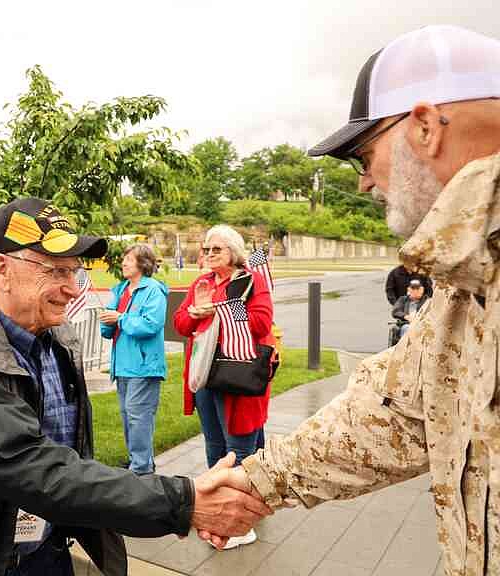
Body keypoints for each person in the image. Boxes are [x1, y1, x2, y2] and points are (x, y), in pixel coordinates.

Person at [202, 26, 500, 572]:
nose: (364, 183)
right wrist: (260, 481)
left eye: (363, 157)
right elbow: (396, 412)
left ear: (427, 128)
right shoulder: (465, 283)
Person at [0, 197, 273, 576]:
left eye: (73, 271)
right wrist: (184, 502)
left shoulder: (58, 337)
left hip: (48, 551)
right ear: (2, 269)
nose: (73, 289)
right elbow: (33, 467)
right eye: (55, 271)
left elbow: (72, 458)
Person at [173, 224, 274, 550]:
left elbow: (261, 323)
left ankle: (242, 524)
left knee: (239, 451)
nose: (208, 254)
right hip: (205, 377)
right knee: (215, 446)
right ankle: (219, 511)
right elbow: (180, 325)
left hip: (238, 377)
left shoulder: (249, 280)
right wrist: (193, 310)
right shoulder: (201, 283)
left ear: (234, 251)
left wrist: (224, 307)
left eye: (216, 249)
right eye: (206, 249)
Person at [99, 243, 167, 475]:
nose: (124, 262)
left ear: (143, 263)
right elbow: (109, 325)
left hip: (144, 366)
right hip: (122, 367)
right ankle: (138, 461)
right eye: (124, 258)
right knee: (129, 416)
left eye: (129, 258)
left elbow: (150, 325)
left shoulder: (153, 290)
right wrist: (107, 322)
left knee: (139, 418)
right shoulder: (120, 289)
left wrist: (119, 318)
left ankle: (140, 469)